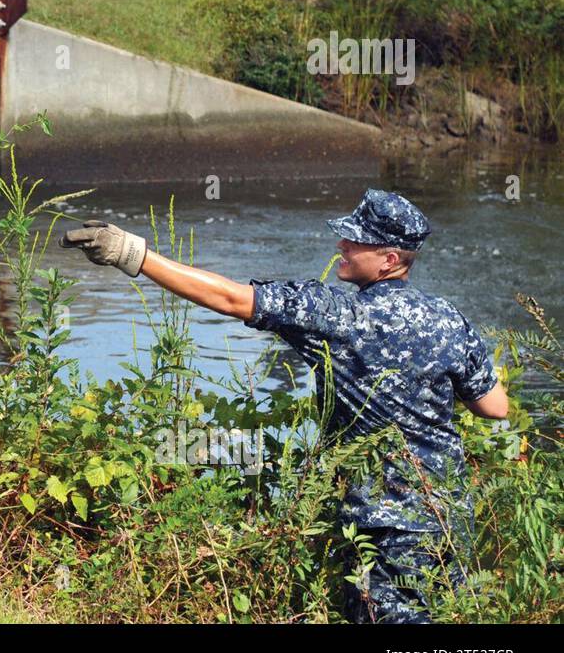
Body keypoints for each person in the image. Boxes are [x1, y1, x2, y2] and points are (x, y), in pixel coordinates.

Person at [62, 190, 509, 623]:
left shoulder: (333, 315)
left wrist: (133, 254)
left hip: (382, 524)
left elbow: (232, 298)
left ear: (390, 260)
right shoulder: (450, 319)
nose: (341, 245)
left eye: (355, 240)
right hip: (448, 516)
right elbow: (494, 407)